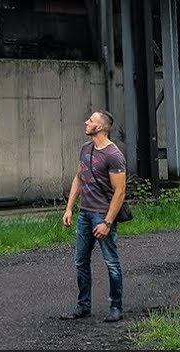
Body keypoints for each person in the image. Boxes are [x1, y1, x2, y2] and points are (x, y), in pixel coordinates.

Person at [60, 109, 127, 323]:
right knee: (81, 261)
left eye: (90, 120)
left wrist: (107, 222)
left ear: (99, 127)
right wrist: (70, 207)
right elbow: (78, 178)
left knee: (111, 262)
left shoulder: (114, 156)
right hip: (85, 214)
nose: (86, 122)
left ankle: (116, 307)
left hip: (102, 216)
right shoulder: (85, 149)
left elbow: (120, 192)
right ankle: (83, 306)